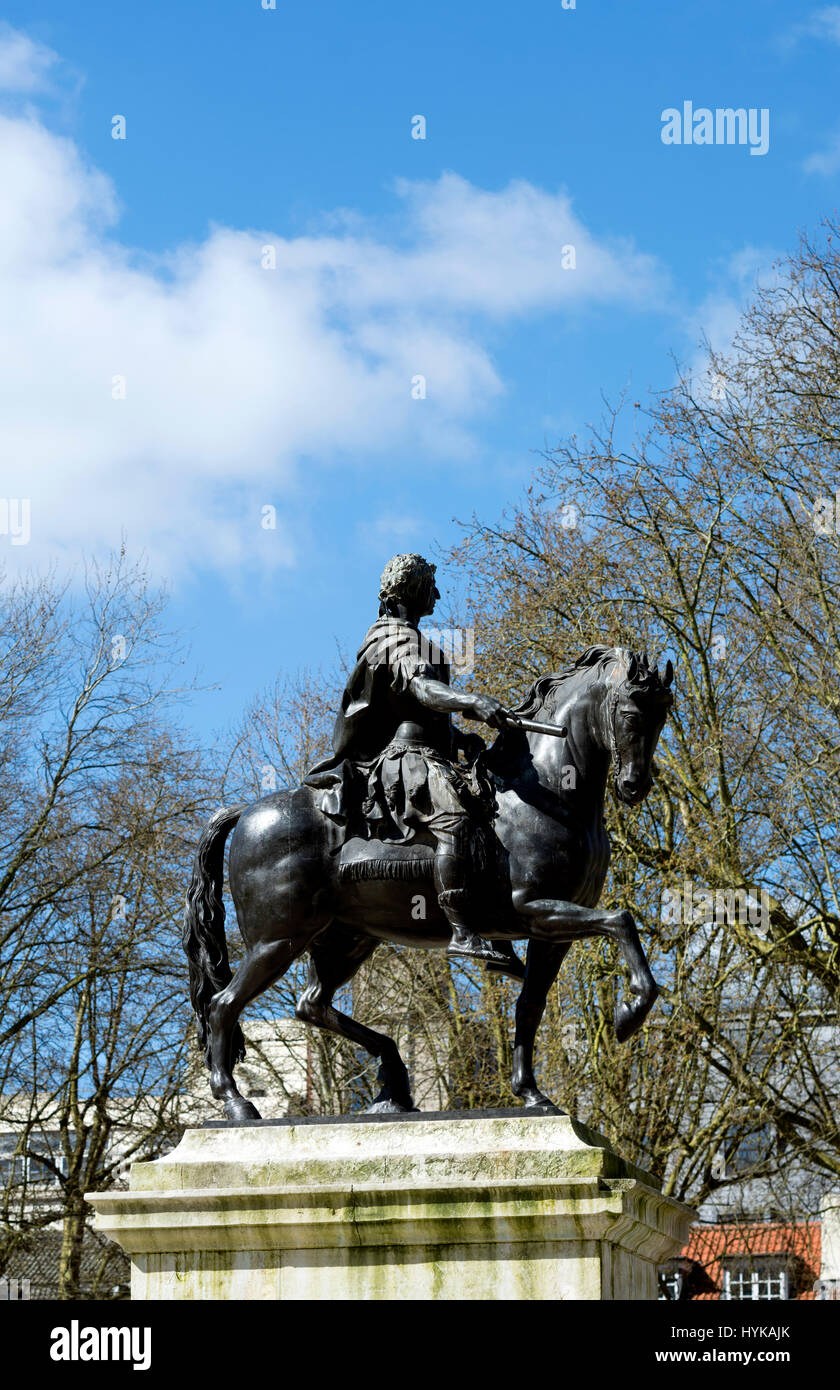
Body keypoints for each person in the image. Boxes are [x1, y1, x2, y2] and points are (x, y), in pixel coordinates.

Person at [305, 553, 517, 967]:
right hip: (406, 760)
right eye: (430, 588)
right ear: (414, 591)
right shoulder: (393, 638)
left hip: (431, 750)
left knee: (492, 809)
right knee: (456, 818)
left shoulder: (418, 640)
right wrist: (472, 701)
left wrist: (461, 737)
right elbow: (420, 692)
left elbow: (422, 714)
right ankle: (462, 931)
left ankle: (494, 923)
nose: (436, 595)